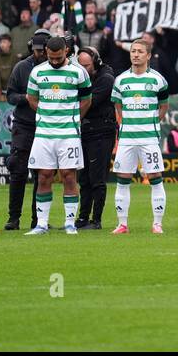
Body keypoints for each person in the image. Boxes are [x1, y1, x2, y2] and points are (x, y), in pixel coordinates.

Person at [24, 35, 92, 235]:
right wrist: (46, 114)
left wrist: (73, 119)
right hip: (44, 133)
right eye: (51, 57)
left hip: (68, 133)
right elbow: (31, 98)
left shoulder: (78, 72)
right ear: (46, 52)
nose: (54, 61)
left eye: (58, 57)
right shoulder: (37, 72)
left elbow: (87, 100)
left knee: (69, 176)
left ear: (66, 52)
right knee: (44, 177)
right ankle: (41, 224)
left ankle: (70, 223)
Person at [109, 36, 170, 234]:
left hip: (149, 138)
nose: (135, 55)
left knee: (155, 176)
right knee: (123, 178)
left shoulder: (158, 80)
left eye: (139, 52)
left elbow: (163, 107)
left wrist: (150, 123)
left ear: (148, 55)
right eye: (133, 51)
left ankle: (157, 223)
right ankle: (122, 224)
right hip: (127, 138)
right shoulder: (121, 80)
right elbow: (118, 107)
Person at [3, 27, 49, 230]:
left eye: (44, 50)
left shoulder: (58, 68)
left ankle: (37, 219)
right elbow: (10, 95)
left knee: (42, 174)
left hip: (46, 127)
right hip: (24, 125)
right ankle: (14, 218)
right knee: (18, 171)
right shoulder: (21, 67)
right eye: (38, 50)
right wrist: (28, 99)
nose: (41, 54)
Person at [75, 41, 116, 229]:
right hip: (86, 130)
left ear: (96, 63)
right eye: (80, 66)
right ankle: (83, 218)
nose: (83, 70)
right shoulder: (85, 77)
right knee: (84, 178)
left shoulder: (106, 78)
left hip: (101, 132)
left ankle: (96, 220)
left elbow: (90, 102)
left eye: (86, 66)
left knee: (97, 178)